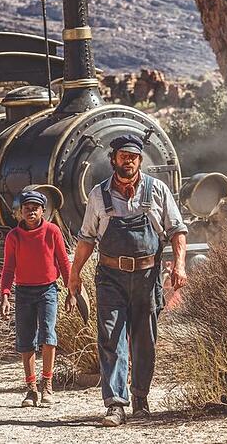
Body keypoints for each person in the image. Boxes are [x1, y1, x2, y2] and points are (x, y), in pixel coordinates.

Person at [66, 134, 188, 427]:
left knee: (145, 341)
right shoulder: (98, 194)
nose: (128, 161)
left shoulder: (157, 190)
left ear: (139, 160)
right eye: (123, 156)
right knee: (110, 338)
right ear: (113, 160)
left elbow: (177, 230)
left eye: (133, 156)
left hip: (148, 277)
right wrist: (74, 274)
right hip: (110, 277)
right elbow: (86, 238)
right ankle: (116, 405)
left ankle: (141, 399)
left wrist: (180, 265)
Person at [0, 190, 71, 407]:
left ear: (43, 210)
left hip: (48, 290)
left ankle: (47, 385)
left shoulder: (52, 231)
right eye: (26, 208)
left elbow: (63, 261)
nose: (31, 211)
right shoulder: (14, 236)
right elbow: (8, 267)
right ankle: (31, 389)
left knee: (48, 335)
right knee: (26, 340)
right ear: (20, 211)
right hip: (23, 292)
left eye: (35, 208)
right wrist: (4, 295)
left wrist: (72, 291)